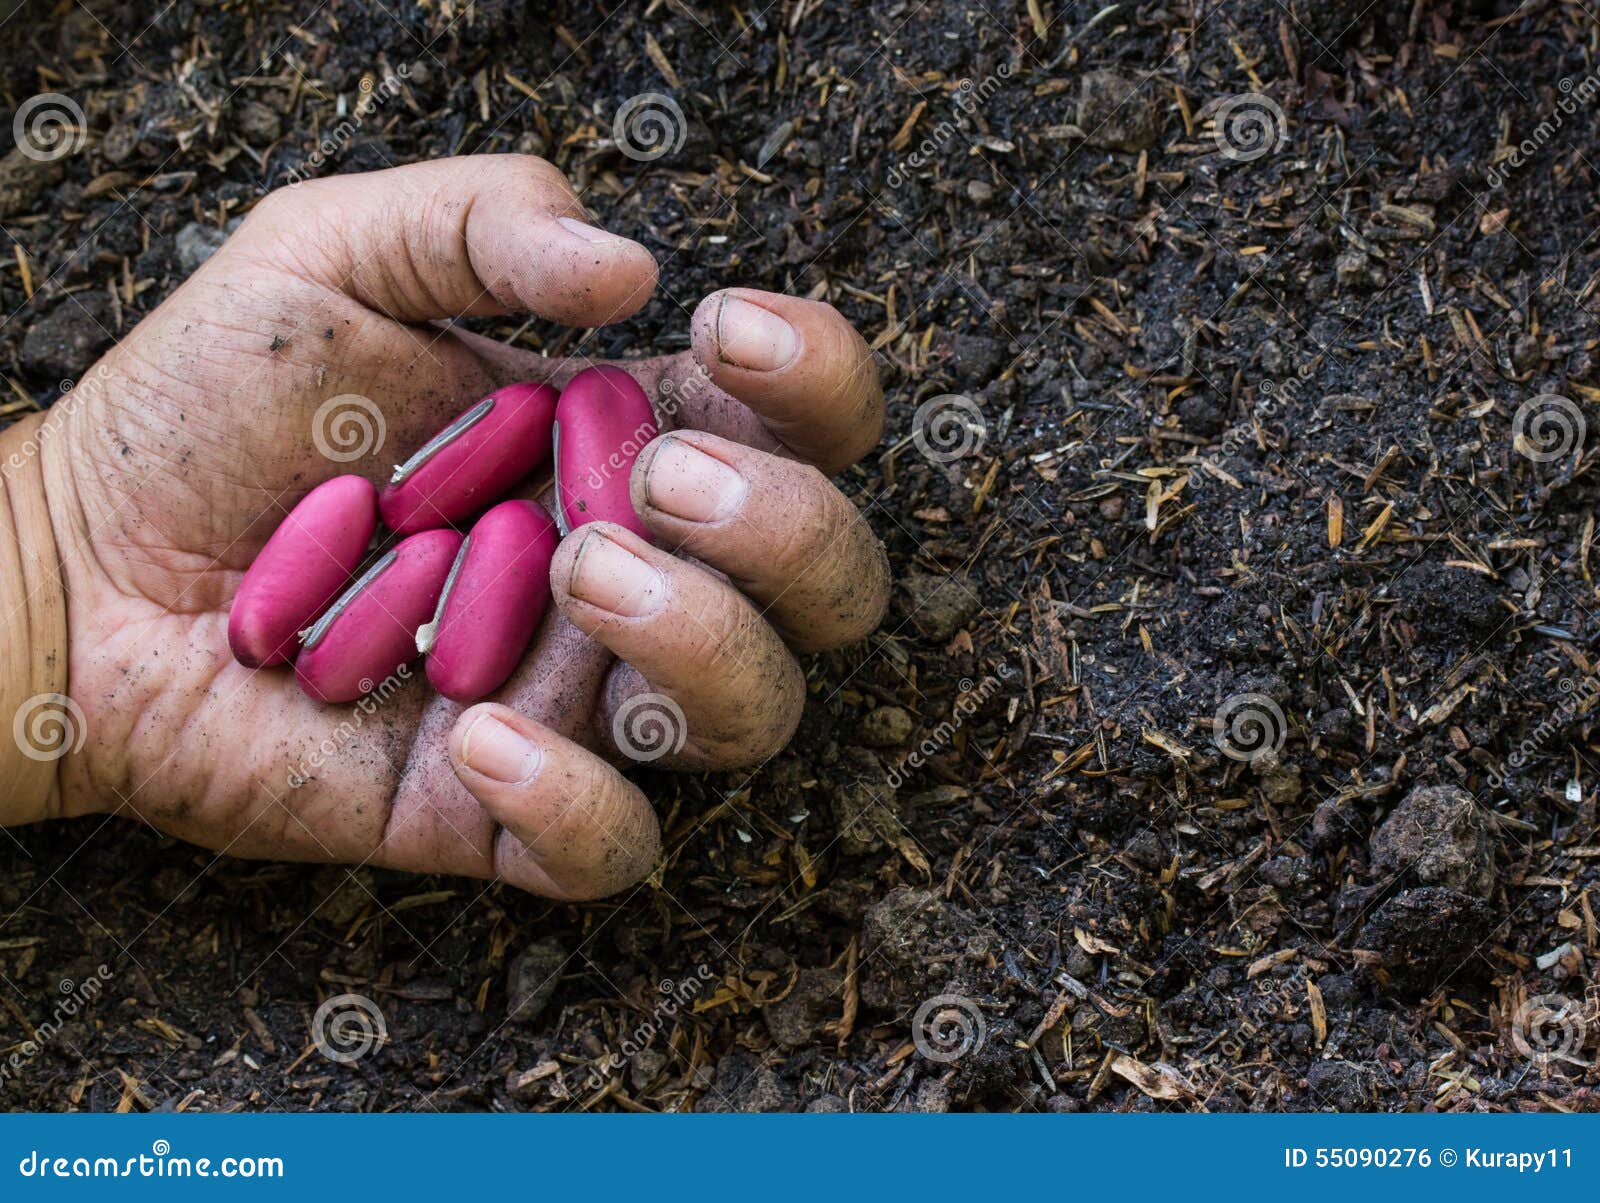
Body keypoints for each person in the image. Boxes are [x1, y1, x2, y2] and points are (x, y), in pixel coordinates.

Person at [0, 156, 889, 901]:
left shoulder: (427, 522)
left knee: (516, 563)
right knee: (477, 573)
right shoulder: (402, 529)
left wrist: (52, 539)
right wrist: (51, 570)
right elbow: (418, 559)